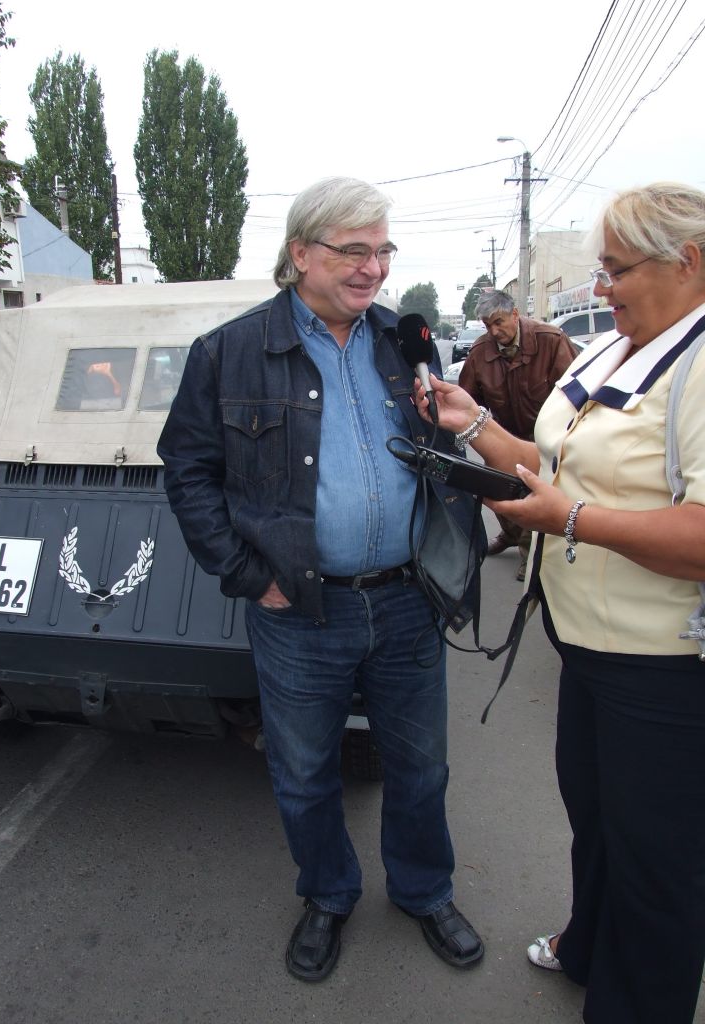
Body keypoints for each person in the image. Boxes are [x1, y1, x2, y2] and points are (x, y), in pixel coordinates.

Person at [158, 177, 484, 982]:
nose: (373, 268)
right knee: (305, 773)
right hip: (300, 610)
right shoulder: (228, 353)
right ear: (299, 253)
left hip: (407, 600)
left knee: (422, 765)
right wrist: (244, 574)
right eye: (353, 251)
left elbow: (432, 452)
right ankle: (329, 894)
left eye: (382, 251)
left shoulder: (402, 341)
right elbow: (188, 472)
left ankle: (422, 889)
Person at [415, 181, 705, 1024]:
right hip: (585, 644)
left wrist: (569, 520)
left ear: (688, 260)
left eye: (616, 270)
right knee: (597, 821)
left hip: (664, 668)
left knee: (659, 862)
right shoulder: (614, 349)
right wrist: (470, 425)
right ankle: (589, 948)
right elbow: (550, 463)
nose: (602, 288)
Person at [459, 291, 576, 580]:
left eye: (499, 322)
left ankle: (531, 554)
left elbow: (578, 392)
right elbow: (466, 399)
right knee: (495, 489)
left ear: (515, 314)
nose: (494, 331)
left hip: (548, 438)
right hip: (506, 434)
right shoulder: (480, 352)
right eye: (487, 325)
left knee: (533, 498)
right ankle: (512, 535)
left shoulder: (551, 340)